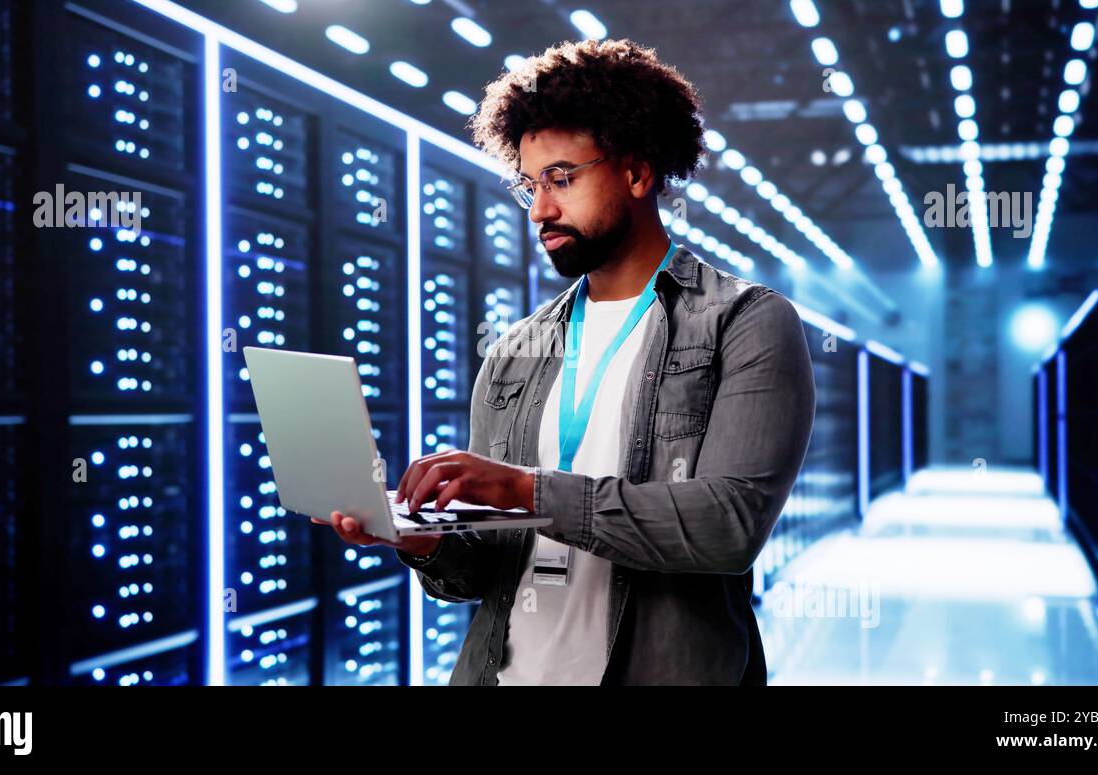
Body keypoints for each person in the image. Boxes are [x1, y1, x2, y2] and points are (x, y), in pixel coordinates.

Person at [314, 38, 815, 685]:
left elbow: (728, 527)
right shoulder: (514, 351)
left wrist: (527, 489)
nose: (540, 210)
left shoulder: (745, 323)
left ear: (637, 172)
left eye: (562, 179)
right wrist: (424, 541)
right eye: (529, 185)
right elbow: (482, 571)